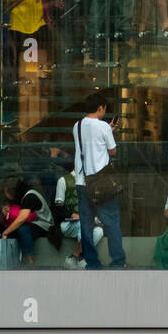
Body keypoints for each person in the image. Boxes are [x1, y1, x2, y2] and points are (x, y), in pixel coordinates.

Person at [72, 90, 127, 270]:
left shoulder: (77, 126)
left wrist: (107, 130)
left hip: (82, 181)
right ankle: (117, 261)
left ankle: (92, 262)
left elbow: (90, 143)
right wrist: (110, 131)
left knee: (86, 224)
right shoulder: (102, 127)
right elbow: (112, 151)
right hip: (101, 182)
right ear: (101, 108)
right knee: (111, 221)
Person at [6, 0, 50, 122]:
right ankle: (24, 88)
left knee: (34, 56)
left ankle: (33, 81)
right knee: (24, 58)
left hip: (35, 23)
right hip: (21, 24)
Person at [0, 177, 56, 265]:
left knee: (22, 229)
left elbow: (21, 218)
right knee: (15, 229)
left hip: (45, 225)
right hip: (34, 223)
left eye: (8, 193)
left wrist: (5, 232)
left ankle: (29, 258)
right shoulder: (25, 196)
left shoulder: (30, 196)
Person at [54, 166, 103, 268]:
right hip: (67, 224)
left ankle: (76, 256)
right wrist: (72, 215)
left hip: (86, 223)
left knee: (99, 231)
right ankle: (82, 258)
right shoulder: (63, 181)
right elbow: (58, 209)